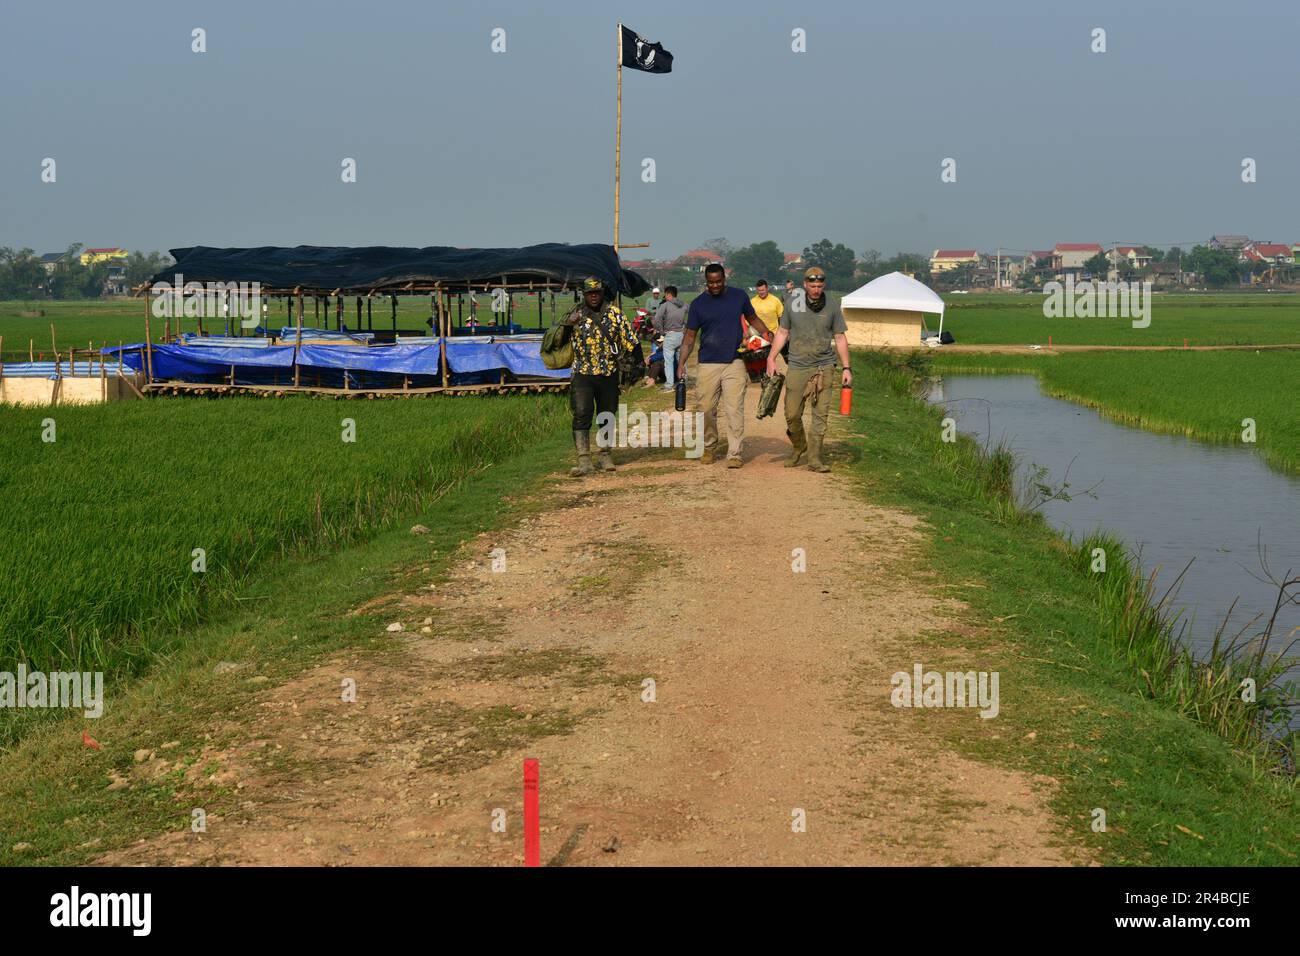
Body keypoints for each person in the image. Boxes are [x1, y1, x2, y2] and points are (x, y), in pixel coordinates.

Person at [677, 263, 772, 468]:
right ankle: (709, 447)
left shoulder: (739, 297)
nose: (715, 285)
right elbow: (690, 337)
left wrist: (767, 335)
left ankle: (735, 453)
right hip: (708, 364)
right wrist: (681, 363)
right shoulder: (698, 304)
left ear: (724, 279)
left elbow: (753, 318)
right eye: (711, 282)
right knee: (706, 408)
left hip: (735, 361)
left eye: (718, 281)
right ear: (706, 281)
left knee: (734, 409)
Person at [765, 266, 851, 473]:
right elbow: (783, 332)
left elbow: (840, 337)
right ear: (804, 284)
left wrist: (847, 367)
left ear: (824, 285)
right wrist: (771, 357)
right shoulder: (793, 305)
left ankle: (814, 458)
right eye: (812, 285)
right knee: (792, 414)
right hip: (797, 366)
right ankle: (799, 445)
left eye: (819, 286)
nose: (816, 289)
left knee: (820, 416)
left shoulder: (831, 305)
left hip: (824, 367)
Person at [564, 277, 638, 476]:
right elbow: (559, 341)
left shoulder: (615, 314)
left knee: (607, 415)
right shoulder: (575, 314)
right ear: (584, 294)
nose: (594, 296)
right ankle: (584, 460)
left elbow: (631, 342)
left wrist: (634, 367)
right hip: (582, 373)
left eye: (597, 292)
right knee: (581, 414)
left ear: (602, 293)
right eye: (590, 293)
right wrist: (567, 325)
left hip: (608, 373)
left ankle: (605, 454)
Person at [748, 278, 785, 378]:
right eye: (759, 291)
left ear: (767, 289)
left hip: (774, 335)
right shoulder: (752, 302)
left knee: (775, 357)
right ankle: (762, 376)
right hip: (758, 336)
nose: (761, 292)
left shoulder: (775, 300)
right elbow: (748, 320)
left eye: (763, 290)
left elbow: (781, 317)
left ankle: (778, 376)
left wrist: (782, 332)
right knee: (760, 358)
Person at [652, 286, 686, 391]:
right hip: (682, 334)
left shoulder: (665, 305)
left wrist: (661, 331)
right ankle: (683, 381)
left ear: (668, 294)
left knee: (668, 361)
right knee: (682, 360)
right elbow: (694, 315)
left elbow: (657, 319)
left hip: (670, 334)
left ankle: (669, 385)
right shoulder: (683, 304)